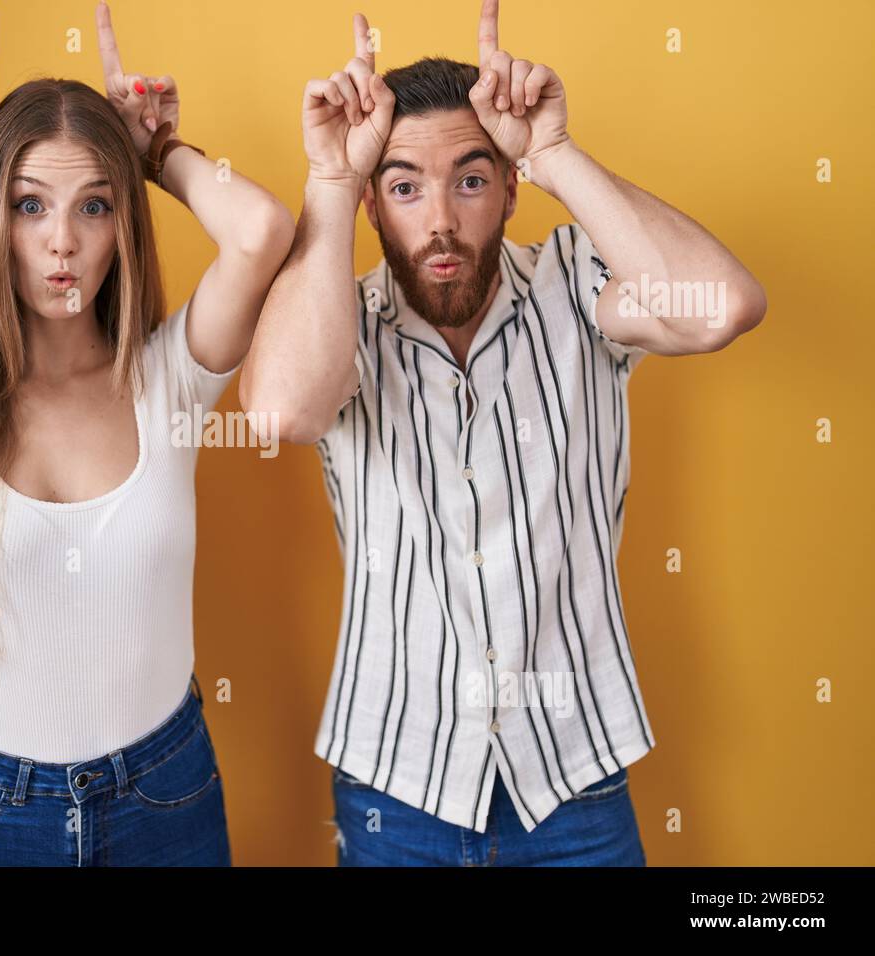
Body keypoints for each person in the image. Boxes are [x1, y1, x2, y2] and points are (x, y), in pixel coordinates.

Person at [240, 1, 766, 866]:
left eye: (471, 179)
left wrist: (556, 152)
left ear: (511, 186)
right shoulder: (338, 316)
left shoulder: (576, 282)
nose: (440, 218)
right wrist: (333, 182)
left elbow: (724, 309)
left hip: (572, 776)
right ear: (375, 204)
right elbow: (283, 413)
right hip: (396, 783)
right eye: (404, 186)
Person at [0, 3, 294, 866]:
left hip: (167, 795)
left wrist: (156, 152)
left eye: (94, 205)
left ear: (124, 223)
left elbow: (263, 231)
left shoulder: (170, 380)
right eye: (27, 205)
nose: (62, 244)